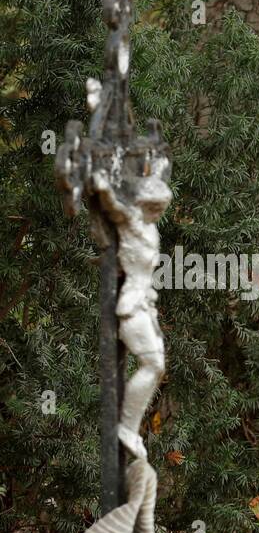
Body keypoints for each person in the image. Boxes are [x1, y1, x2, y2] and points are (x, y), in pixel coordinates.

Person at [92, 159, 172, 461]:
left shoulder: (151, 231)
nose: (158, 211)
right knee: (153, 364)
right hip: (130, 306)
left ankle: (128, 426)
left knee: (156, 364)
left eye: (160, 207)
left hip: (145, 304)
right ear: (145, 204)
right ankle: (126, 427)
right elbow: (111, 202)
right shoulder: (132, 221)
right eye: (155, 206)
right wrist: (102, 177)